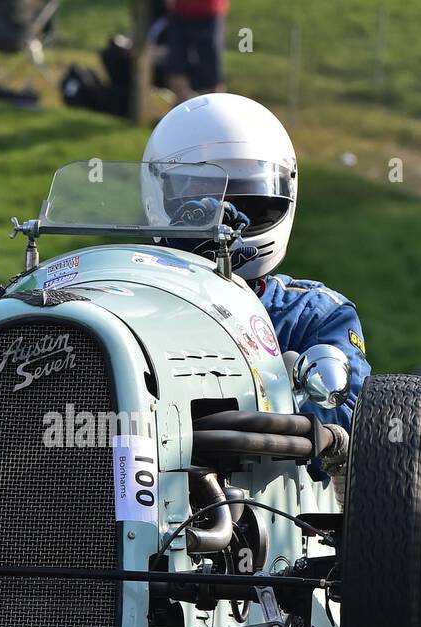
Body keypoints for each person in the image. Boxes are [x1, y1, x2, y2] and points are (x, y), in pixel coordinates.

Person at [142, 93, 370, 477]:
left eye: (250, 199)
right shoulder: (133, 302)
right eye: (200, 199)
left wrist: (280, 388)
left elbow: (349, 418)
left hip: (266, 512)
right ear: (160, 193)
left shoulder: (312, 314)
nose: (226, 220)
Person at [163, 0, 228, 104]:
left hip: (209, 13)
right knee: (176, 65)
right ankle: (182, 108)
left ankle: (217, 108)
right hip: (180, 12)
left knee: (212, 69)